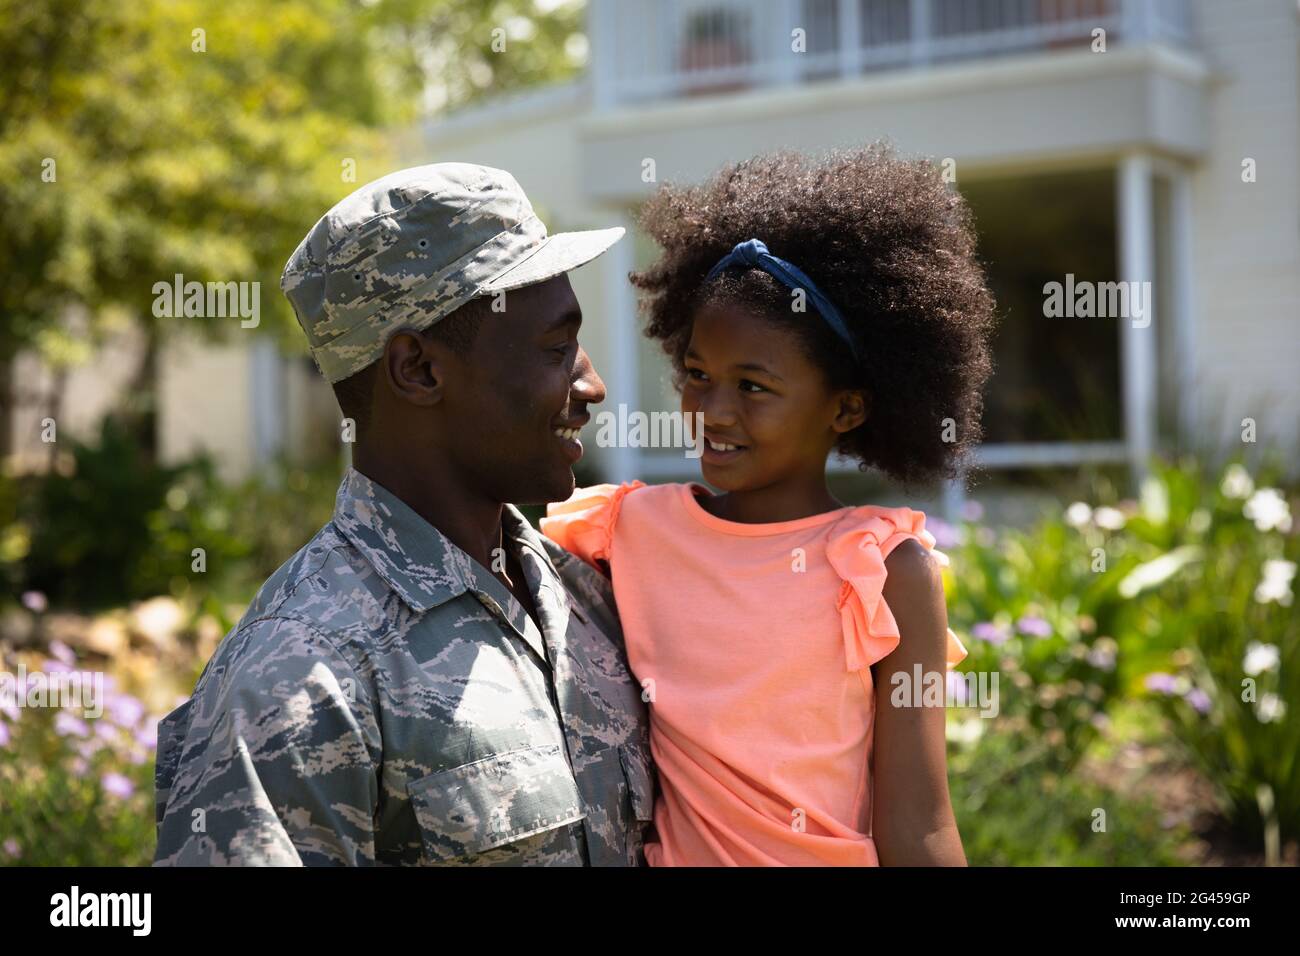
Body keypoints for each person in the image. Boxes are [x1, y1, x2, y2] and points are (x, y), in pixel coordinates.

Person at [154, 163, 654, 866]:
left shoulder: (588, 596)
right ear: (418, 371)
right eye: (554, 348)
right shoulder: (299, 675)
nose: (591, 383)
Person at [541, 144, 995, 866]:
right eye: (697, 374)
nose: (712, 411)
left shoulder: (886, 572)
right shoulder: (623, 530)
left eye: (753, 386)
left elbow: (922, 824)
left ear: (846, 408)